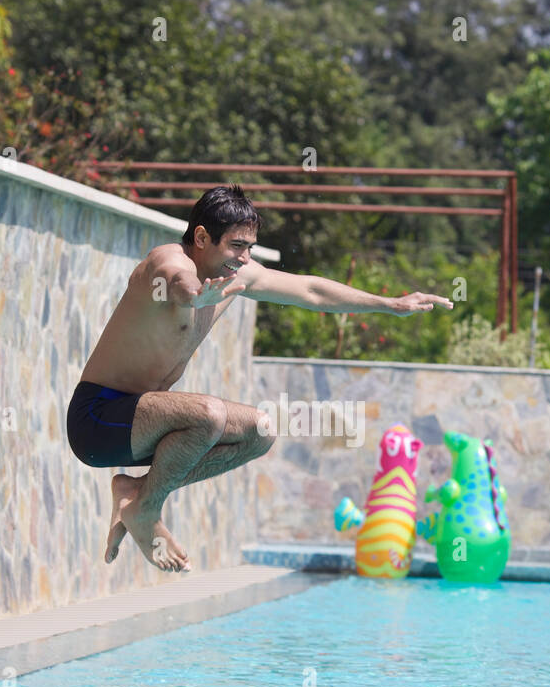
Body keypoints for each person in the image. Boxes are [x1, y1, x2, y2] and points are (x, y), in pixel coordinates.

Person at [67, 184, 454, 571]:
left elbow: (311, 289)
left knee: (261, 431)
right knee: (209, 414)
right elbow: (176, 282)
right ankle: (146, 508)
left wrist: (390, 304)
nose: (245, 257)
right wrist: (196, 297)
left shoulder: (237, 276)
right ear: (202, 237)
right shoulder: (169, 262)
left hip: (141, 427)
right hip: (96, 421)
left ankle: (137, 491)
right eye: (237, 246)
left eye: (250, 246)